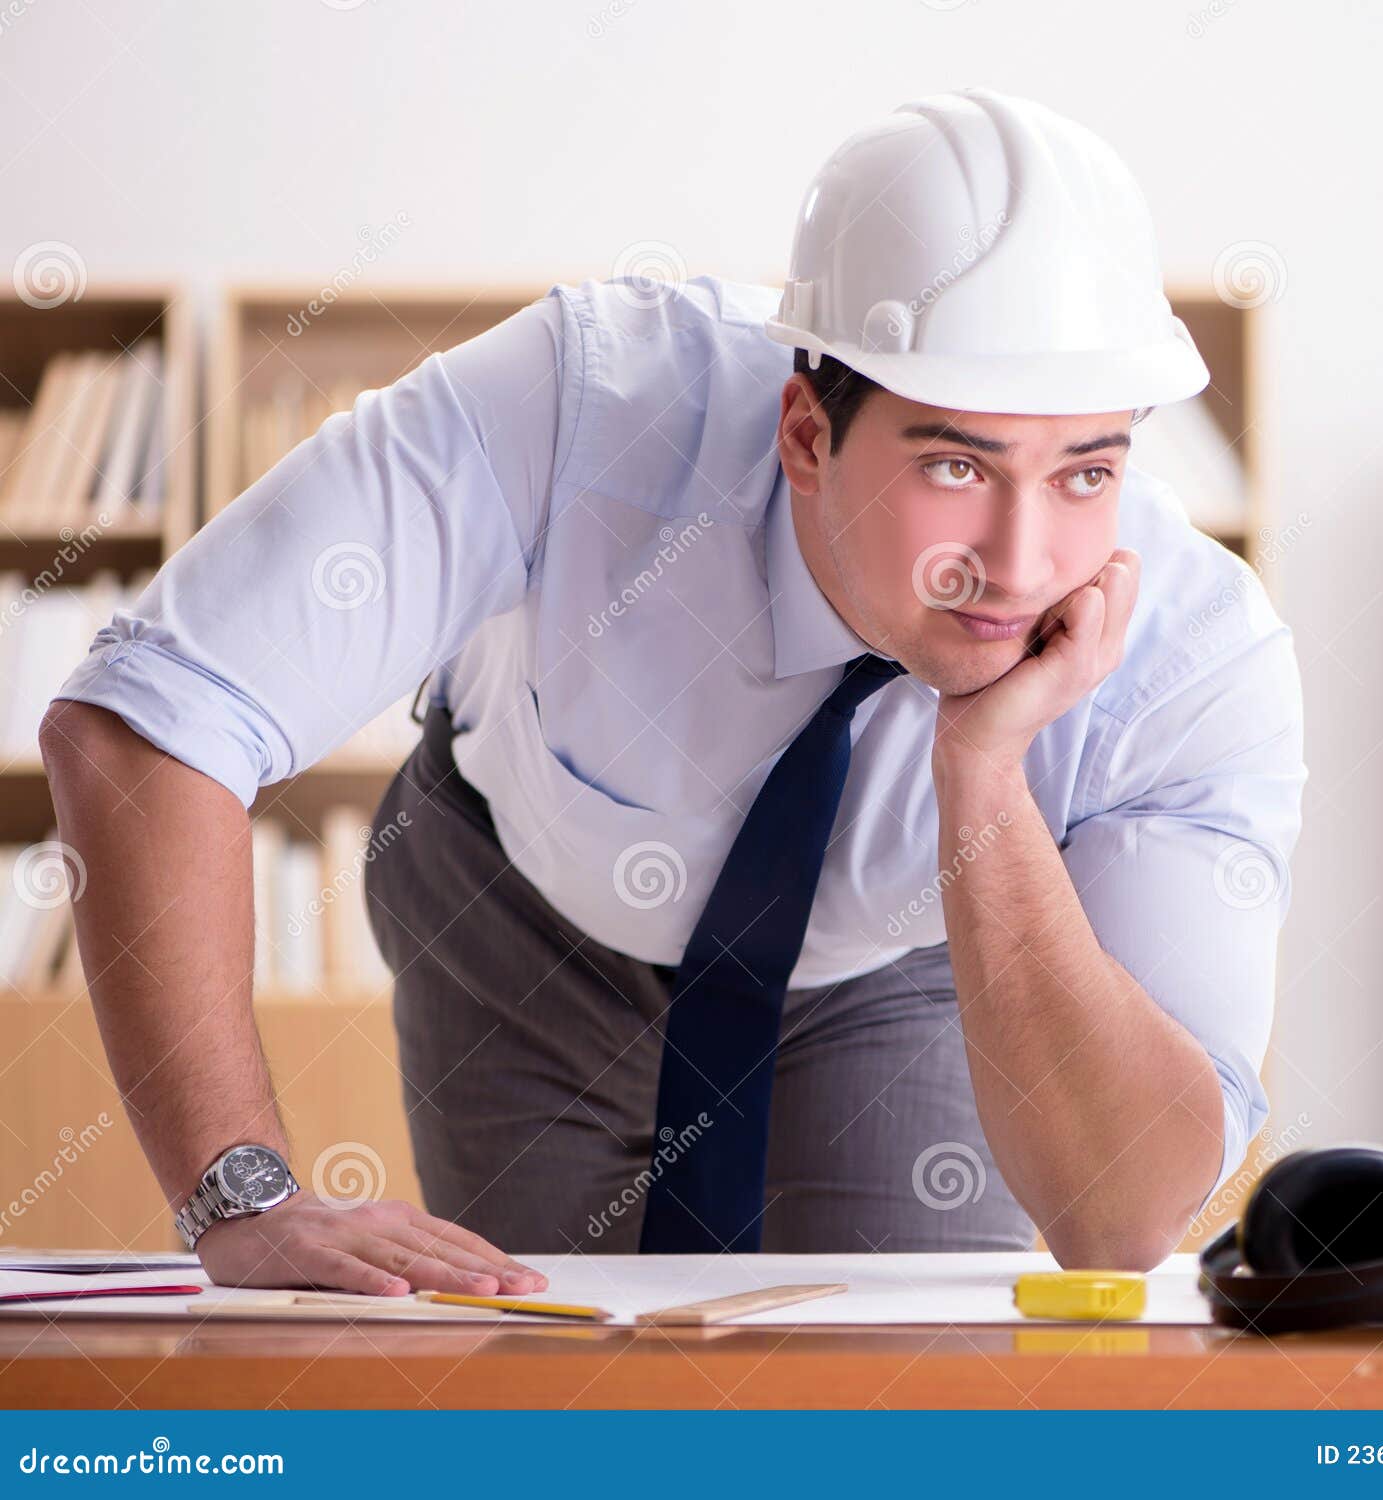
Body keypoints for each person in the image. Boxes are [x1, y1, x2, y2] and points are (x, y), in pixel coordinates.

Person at [39, 87, 1305, 1294]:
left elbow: (1122, 1215)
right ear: (806, 431)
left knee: (883, 1403)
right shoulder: (584, 402)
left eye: (1085, 472)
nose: (1022, 565)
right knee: (551, 1376)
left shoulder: (1192, 652)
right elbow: (142, 721)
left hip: (907, 950)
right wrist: (240, 1199)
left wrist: (980, 773)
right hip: (520, 916)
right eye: (956, 464)